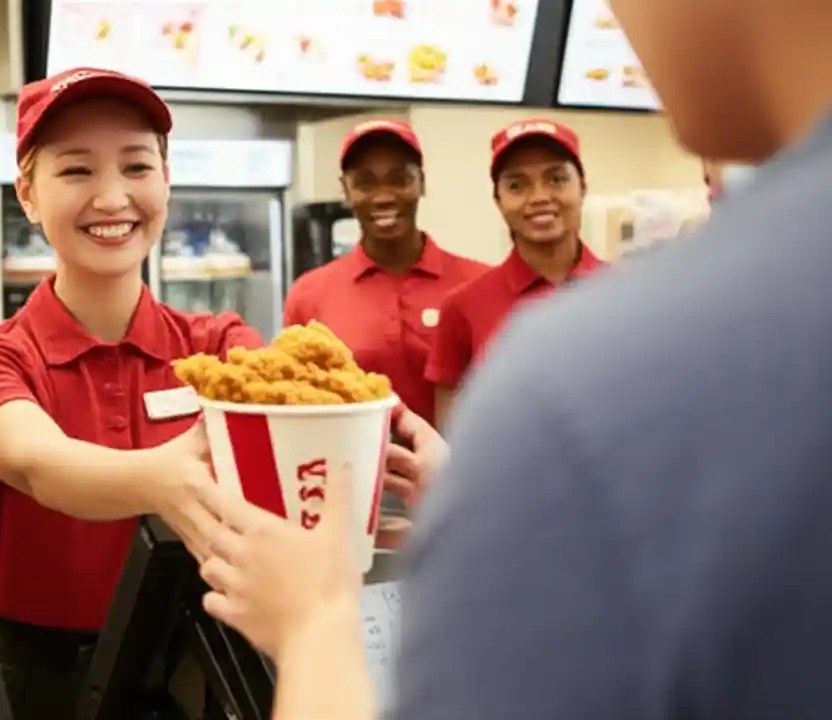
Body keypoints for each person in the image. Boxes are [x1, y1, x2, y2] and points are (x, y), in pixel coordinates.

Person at [196, 0, 832, 716]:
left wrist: (312, 625)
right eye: (518, 182)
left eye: (556, 178)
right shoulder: (370, 300)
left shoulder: (575, 362)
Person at [0, 67, 262, 719]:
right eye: (77, 171)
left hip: (207, 669)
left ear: (166, 180)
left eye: (137, 167)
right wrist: (169, 478)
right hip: (43, 687)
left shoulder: (222, 344)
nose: (112, 198)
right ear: (27, 194)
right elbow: (40, 464)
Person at [283, 120, 487, 426]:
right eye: (365, 183)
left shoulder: (478, 285)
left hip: (458, 472)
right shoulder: (309, 295)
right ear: (346, 191)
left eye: (399, 179)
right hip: (348, 470)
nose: (383, 196)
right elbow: (293, 405)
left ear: (422, 183)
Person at [424, 119, 605, 428]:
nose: (539, 197)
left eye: (557, 179)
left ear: (583, 187)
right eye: (517, 185)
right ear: (498, 199)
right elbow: (449, 439)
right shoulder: (463, 306)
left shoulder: (626, 294)